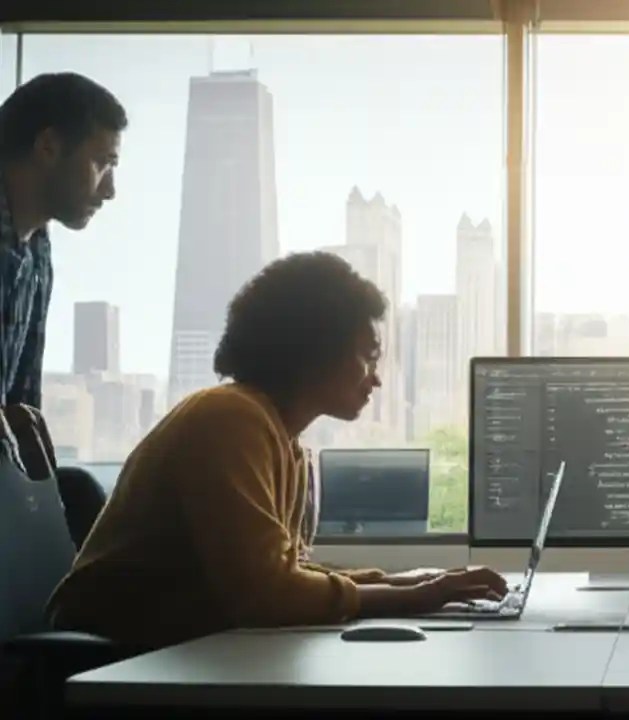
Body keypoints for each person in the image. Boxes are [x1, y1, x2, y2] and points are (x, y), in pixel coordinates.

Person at [47, 252, 507, 648]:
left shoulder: (286, 442)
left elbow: (286, 573)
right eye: (368, 356)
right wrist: (415, 596)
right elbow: (269, 594)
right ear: (316, 348)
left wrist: (401, 581)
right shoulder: (228, 418)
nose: (377, 378)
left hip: (185, 648)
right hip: (117, 661)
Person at [0, 72, 124, 409]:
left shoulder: (36, 247)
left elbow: (20, 407)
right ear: (48, 147)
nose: (110, 190)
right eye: (103, 163)